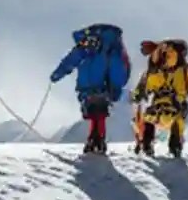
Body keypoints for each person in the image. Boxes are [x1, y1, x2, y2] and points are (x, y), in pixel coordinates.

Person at [50, 24, 131, 154]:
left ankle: (95, 139)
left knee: (96, 111)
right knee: (97, 113)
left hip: (94, 88)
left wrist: (57, 75)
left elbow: (70, 61)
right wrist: (115, 88)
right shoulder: (110, 50)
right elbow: (119, 70)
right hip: (101, 89)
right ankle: (97, 140)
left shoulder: (87, 49)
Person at [132, 39, 188, 158]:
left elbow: (145, 84)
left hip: (157, 101)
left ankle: (146, 144)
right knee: (178, 119)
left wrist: (138, 94)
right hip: (174, 102)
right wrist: (179, 99)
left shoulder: (156, 63)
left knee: (148, 118)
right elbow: (185, 85)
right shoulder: (183, 69)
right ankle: (175, 146)